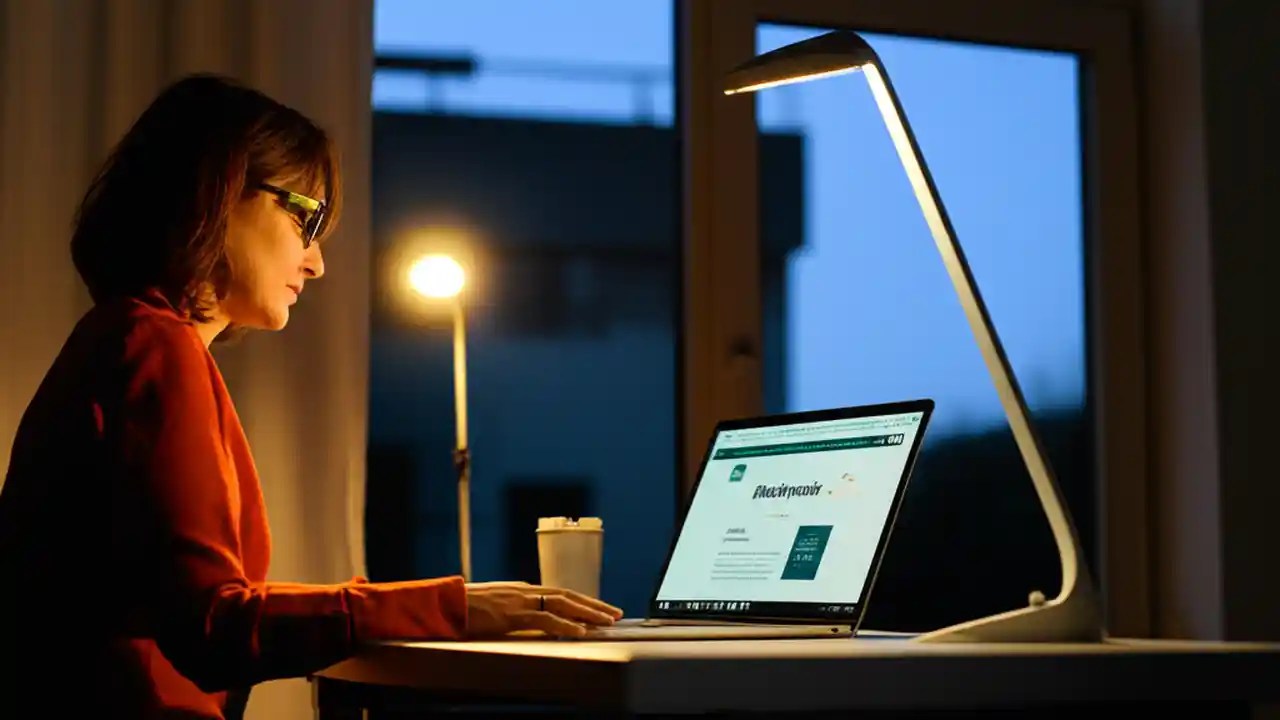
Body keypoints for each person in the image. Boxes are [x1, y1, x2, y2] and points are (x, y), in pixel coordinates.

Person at [0, 73, 622, 719]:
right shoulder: (151, 345)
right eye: (308, 218)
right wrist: (451, 606)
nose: (316, 261)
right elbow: (214, 625)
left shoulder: (128, 339)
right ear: (219, 191)